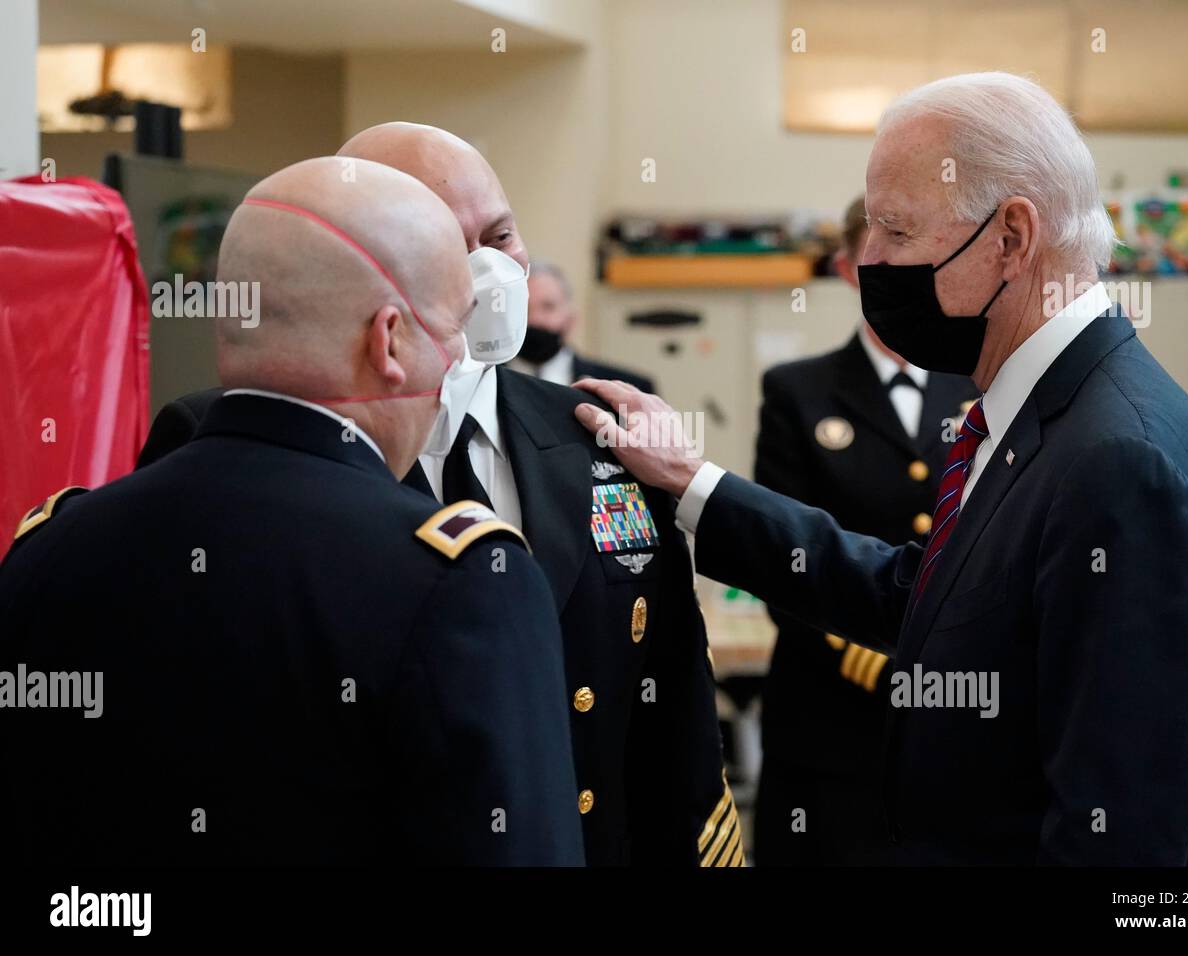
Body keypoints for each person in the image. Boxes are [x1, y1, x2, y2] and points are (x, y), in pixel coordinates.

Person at [572, 72, 1188, 866]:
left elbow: (1117, 838)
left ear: (1011, 238)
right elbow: (925, 597)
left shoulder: (1118, 462)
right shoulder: (1042, 408)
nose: (868, 262)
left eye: (895, 232)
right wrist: (693, 486)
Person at [0, 157, 584, 866]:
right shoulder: (461, 583)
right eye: (453, 331)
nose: (458, 359)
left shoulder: (52, 545)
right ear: (389, 340)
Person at [334, 123, 739, 867]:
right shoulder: (291, 442)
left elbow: (672, 702)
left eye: (501, 235)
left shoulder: (601, 434)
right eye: (452, 245)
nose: (491, 271)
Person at [754, 195, 979, 866]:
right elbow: (781, 555)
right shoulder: (799, 390)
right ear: (850, 271)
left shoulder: (977, 383)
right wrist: (882, 662)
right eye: (879, 259)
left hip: (956, 716)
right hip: (833, 714)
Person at [512, 260, 656, 394]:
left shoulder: (631, 390)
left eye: (549, 307)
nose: (535, 319)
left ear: (571, 318)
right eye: (522, 307)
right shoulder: (490, 380)